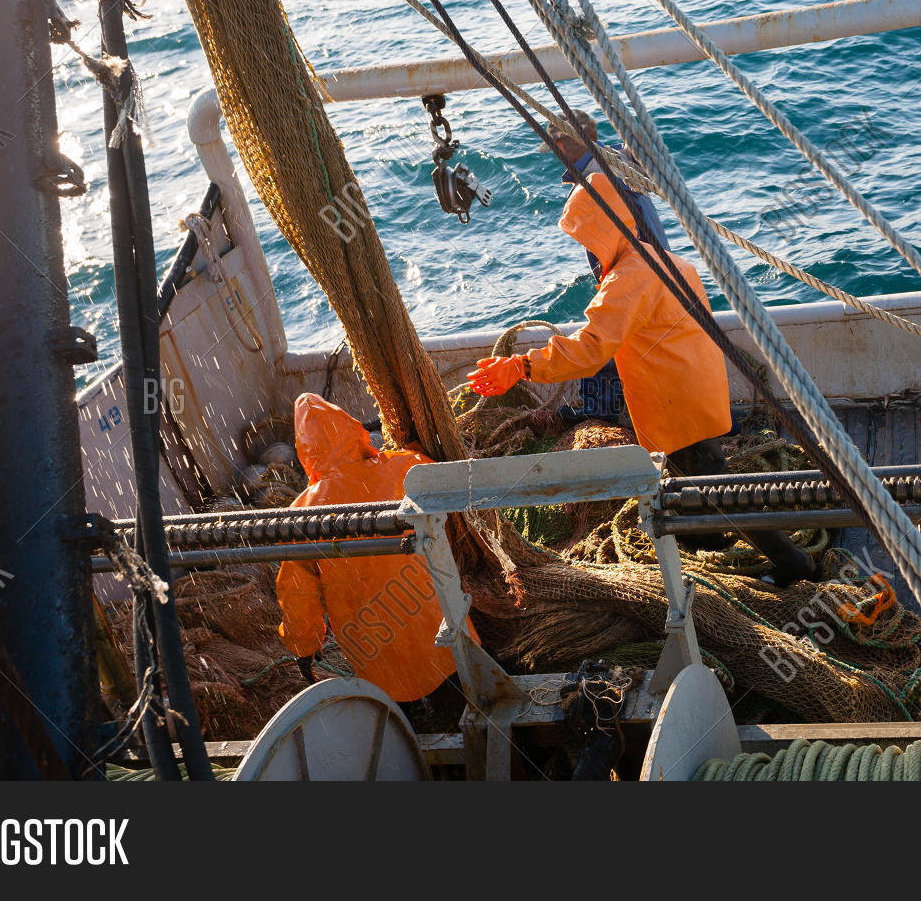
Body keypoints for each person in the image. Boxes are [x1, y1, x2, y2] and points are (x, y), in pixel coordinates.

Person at [468, 171, 817, 586]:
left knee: (721, 493)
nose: (586, 249)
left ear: (602, 232)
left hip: (678, 409)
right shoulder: (666, 260)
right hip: (697, 394)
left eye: (587, 239)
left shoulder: (627, 281)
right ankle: (707, 542)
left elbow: (590, 348)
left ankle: (795, 567)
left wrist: (521, 366)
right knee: (697, 481)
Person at [275, 392, 473, 725]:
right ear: (354, 430)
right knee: (460, 698)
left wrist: (304, 647)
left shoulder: (302, 512)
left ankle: (413, 742)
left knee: (399, 718)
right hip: (435, 624)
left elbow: (297, 591)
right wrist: (413, 445)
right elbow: (440, 474)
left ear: (305, 453)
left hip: (374, 645)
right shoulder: (404, 467)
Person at [543, 109, 667, 421]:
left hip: (637, 270)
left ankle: (599, 414)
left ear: (562, 145)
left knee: (603, 339)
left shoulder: (595, 180)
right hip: (659, 265)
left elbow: (612, 243)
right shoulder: (615, 159)